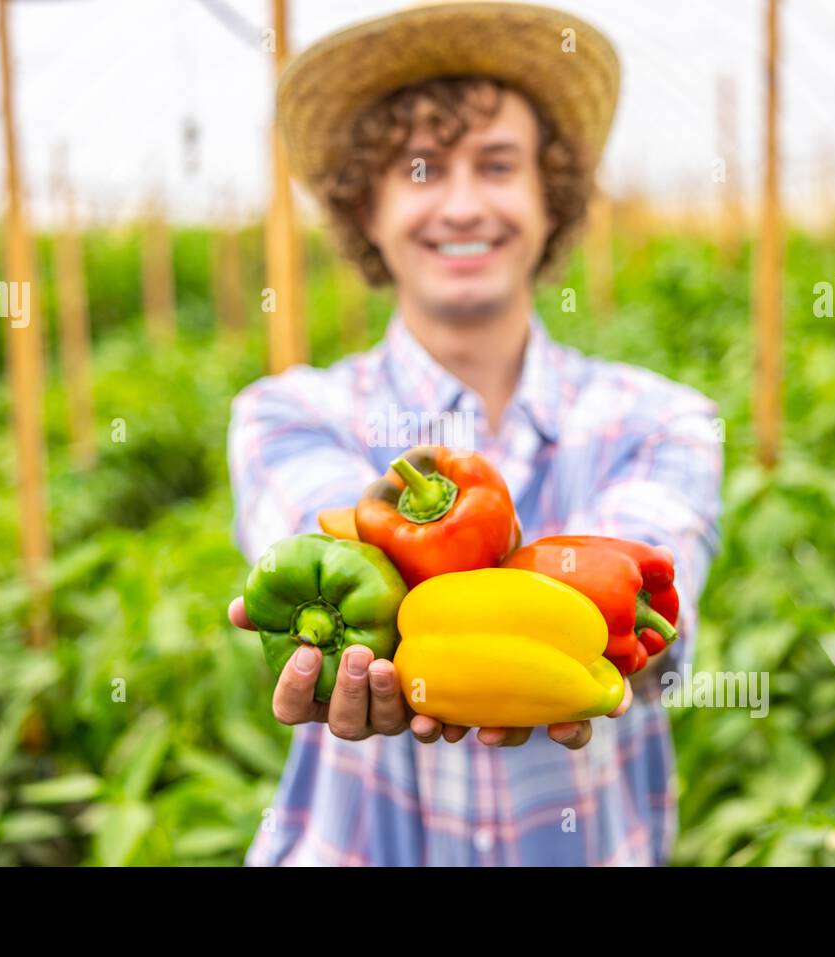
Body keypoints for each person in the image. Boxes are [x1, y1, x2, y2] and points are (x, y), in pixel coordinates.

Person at [226, 1, 723, 866]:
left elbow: (641, 619)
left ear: (548, 196)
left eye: (497, 166)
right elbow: (332, 575)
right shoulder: (287, 414)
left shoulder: (663, 418)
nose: (461, 205)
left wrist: (606, 647)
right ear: (366, 207)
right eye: (420, 172)